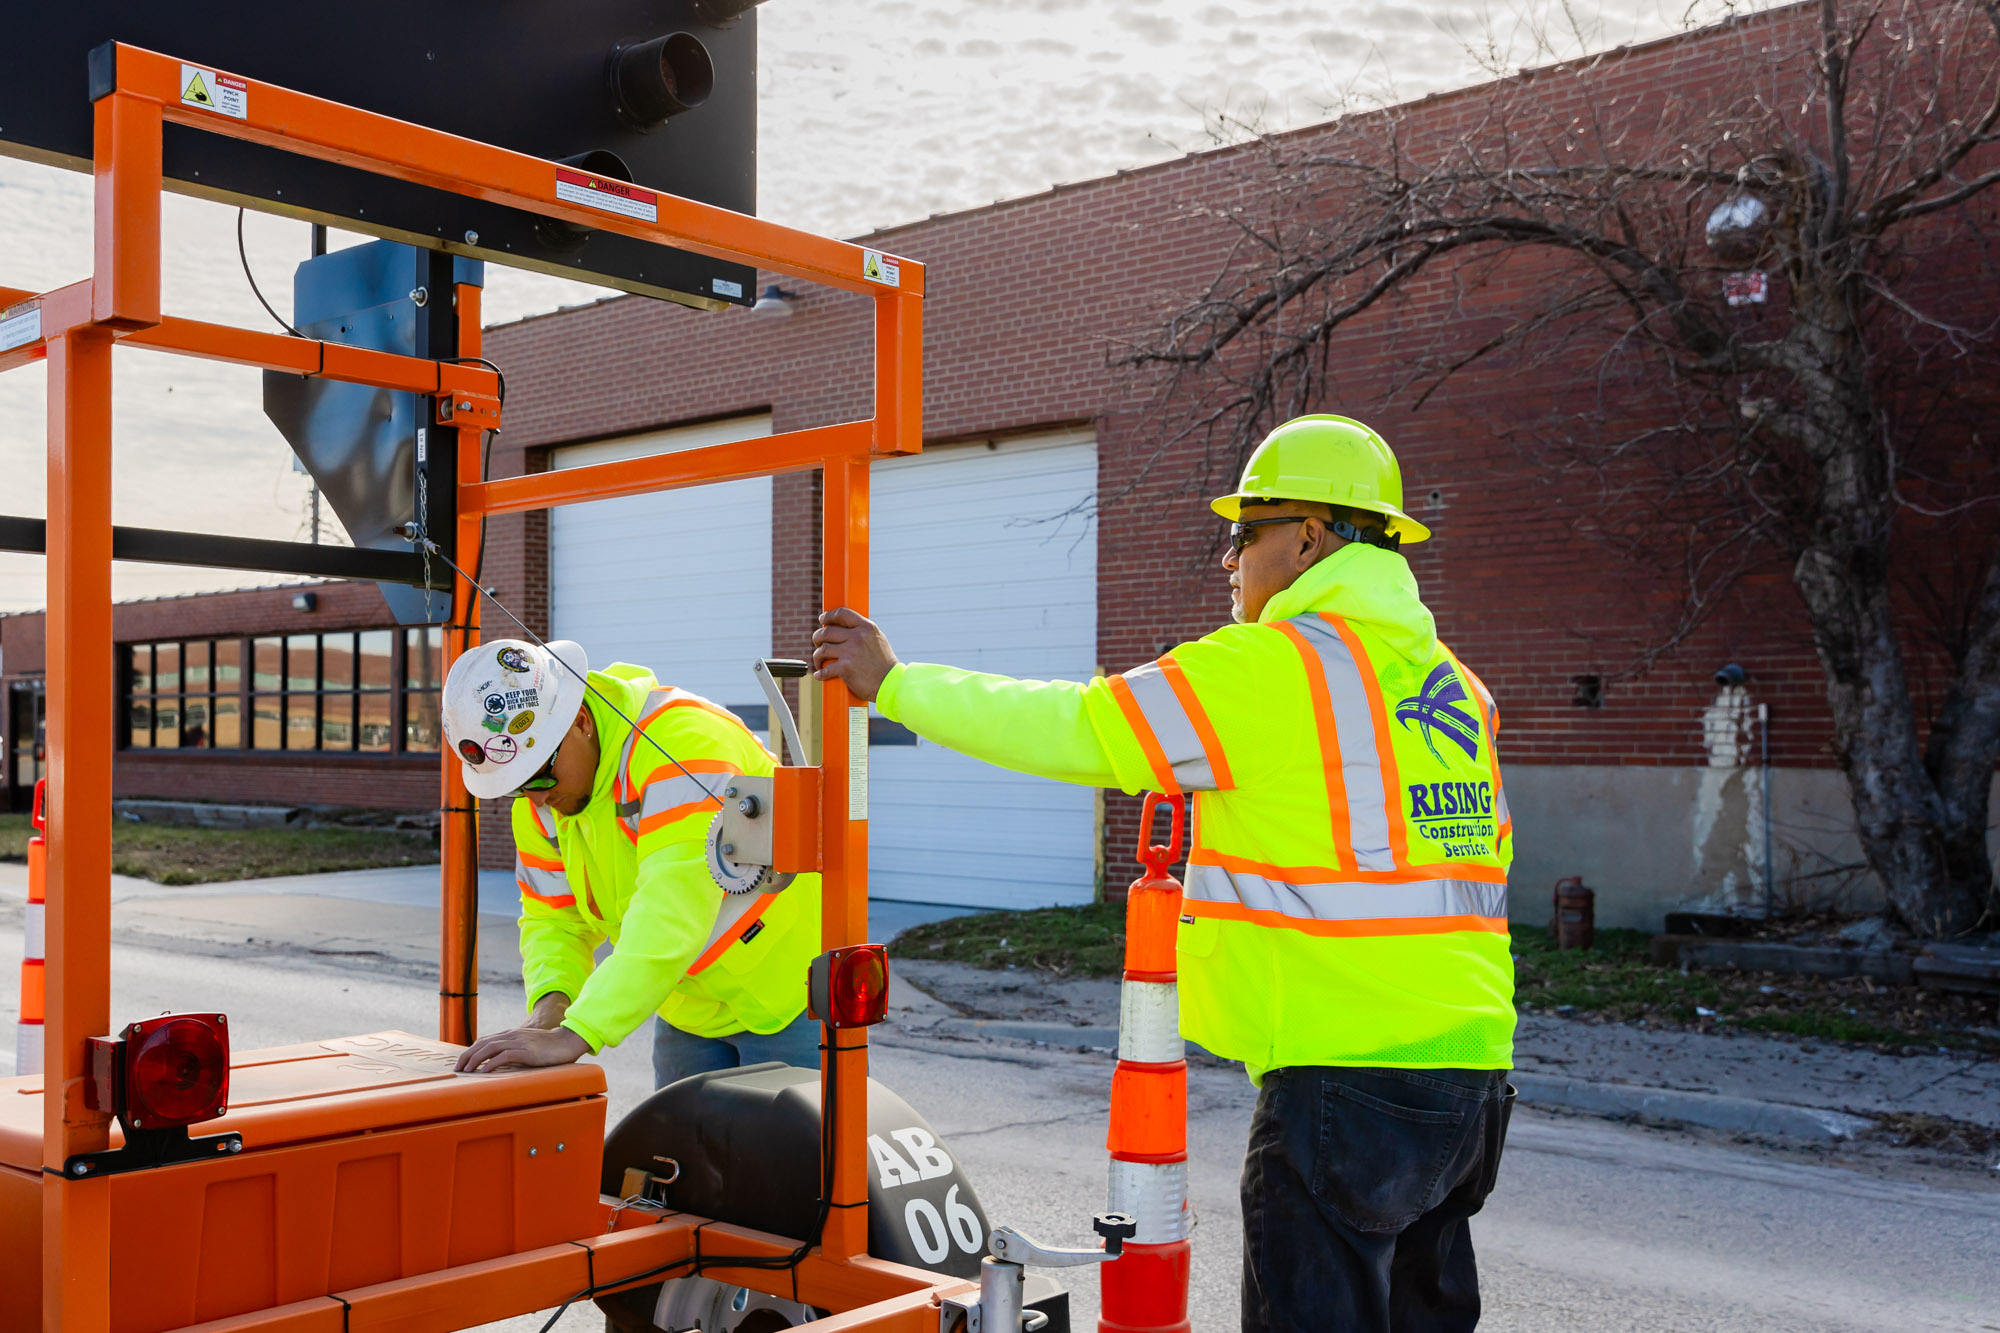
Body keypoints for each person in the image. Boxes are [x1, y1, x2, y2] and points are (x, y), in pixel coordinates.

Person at [813, 415, 1516, 1333]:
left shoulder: (1276, 666)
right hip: (1474, 1082)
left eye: (1244, 532)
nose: (1229, 559)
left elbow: (1082, 727)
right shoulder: (1456, 686)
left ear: (1309, 535)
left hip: (1343, 1079)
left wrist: (897, 684)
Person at [448, 638, 824, 1086]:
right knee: (679, 1155)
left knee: (796, 1154)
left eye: (541, 775)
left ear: (581, 721)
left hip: (787, 995)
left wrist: (579, 1032)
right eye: (518, 785)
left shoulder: (683, 745)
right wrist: (551, 1009)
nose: (537, 796)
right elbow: (554, 920)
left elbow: (672, 908)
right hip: (685, 1005)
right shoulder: (540, 804)